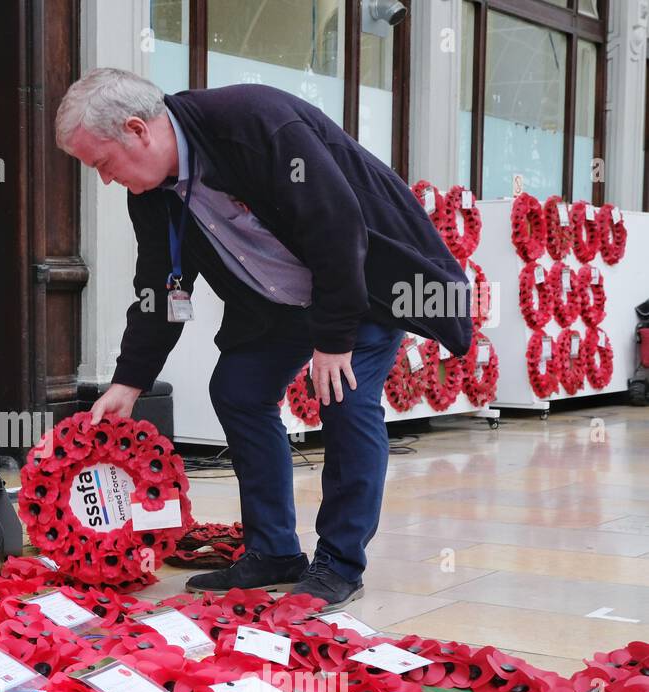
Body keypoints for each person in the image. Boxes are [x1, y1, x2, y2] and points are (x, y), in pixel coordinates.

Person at [55, 69, 471, 611]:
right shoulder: (152, 193)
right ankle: (274, 551)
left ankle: (340, 564)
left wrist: (334, 340)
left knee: (343, 397)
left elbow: (337, 226)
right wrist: (129, 382)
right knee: (239, 389)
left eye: (101, 163)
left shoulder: (254, 124)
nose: (105, 180)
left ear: (138, 130)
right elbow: (163, 287)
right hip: (276, 303)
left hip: (358, 287)